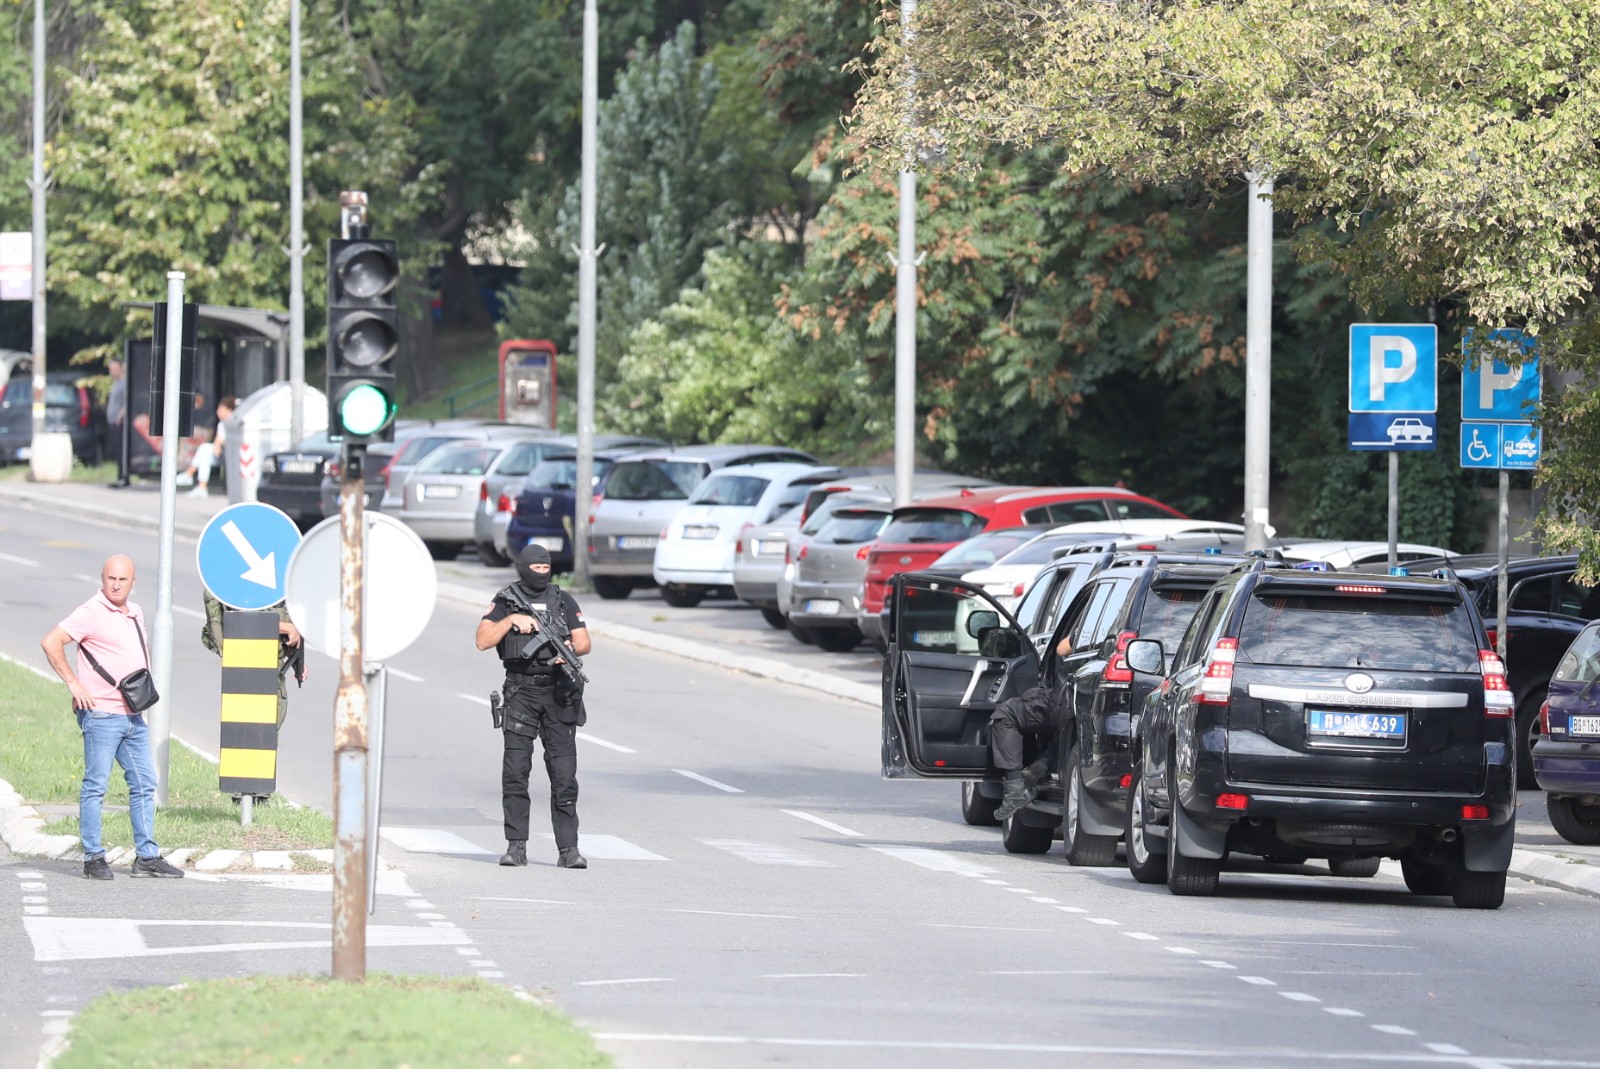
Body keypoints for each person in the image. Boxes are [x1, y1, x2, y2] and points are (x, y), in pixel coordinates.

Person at [39, 555, 185, 880]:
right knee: (95, 786)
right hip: (102, 715)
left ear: (133, 582)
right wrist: (74, 684)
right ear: (102, 579)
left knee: (145, 782)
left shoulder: (135, 611)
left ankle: (146, 857)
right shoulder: (91, 611)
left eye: (123, 580)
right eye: (111, 579)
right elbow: (51, 642)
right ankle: (93, 857)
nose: (116, 585)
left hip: (132, 716)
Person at [475, 545, 592, 869]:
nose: (541, 573)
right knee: (515, 773)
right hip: (521, 693)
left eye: (546, 568)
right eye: (535, 568)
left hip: (558, 693)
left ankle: (569, 850)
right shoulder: (506, 600)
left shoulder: (563, 600)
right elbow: (483, 640)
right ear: (523, 567)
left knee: (564, 777)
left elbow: (584, 642)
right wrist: (512, 620)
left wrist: (567, 646)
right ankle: (516, 846)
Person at [992, 633, 1074, 821]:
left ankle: (1015, 789)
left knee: (1008, 713)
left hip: (1065, 701)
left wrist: (1074, 633)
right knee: (1064, 728)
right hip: (1094, 712)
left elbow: (1062, 649)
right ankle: (1046, 760)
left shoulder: (1099, 629)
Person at [201, 589, 306, 729]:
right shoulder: (249, 579)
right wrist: (287, 628)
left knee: (267, 732)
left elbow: (280, 614)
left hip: (270, 664)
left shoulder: (273, 578)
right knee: (252, 733)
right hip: (250, 662)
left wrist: (295, 661)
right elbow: (244, 619)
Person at [178, 395, 236, 497]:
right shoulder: (222, 423)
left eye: (221, 409)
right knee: (205, 453)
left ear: (229, 410)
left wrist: (217, 445)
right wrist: (216, 445)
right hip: (224, 454)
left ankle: (189, 475)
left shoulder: (234, 422)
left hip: (235, 455)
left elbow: (223, 440)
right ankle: (201, 486)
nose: (218, 411)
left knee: (204, 449)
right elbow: (219, 438)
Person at [105, 359, 129, 488]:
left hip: (119, 422)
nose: (112, 371)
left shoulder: (124, 383)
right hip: (112, 420)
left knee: (121, 449)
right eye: (110, 368)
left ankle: (123, 476)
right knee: (116, 449)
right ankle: (120, 475)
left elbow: (127, 400)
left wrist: (121, 414)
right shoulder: (115, 383)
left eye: (114, 368)